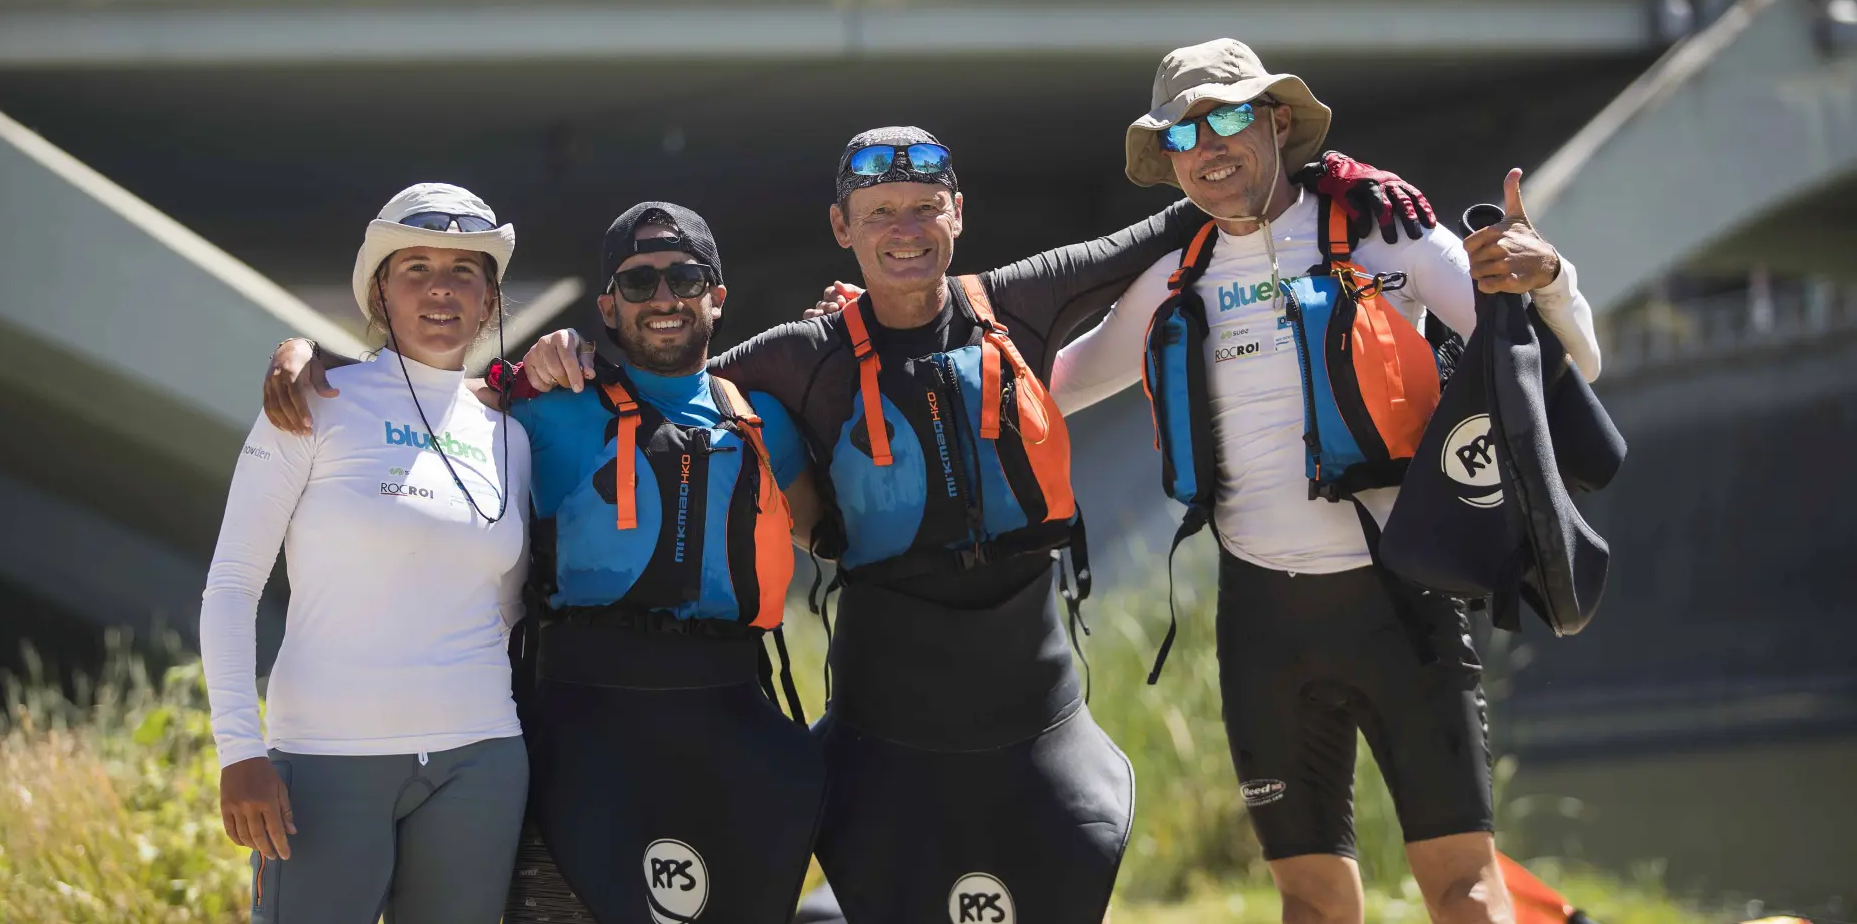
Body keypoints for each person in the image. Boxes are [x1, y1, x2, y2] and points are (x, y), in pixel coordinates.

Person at [506, 128, 1429, 924]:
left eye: (922, 208)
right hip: (882, 728)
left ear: (957, 213)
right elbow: (664, 382)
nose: (903, 231)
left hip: (1032, 714)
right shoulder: (793, 362)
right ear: (843, 230)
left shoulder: (1015, 305)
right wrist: (557, 360)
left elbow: (1172, 224)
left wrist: (1326, 178)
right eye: (878, 212)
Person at [1048, 38, 1602, 924]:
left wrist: (1552, 277)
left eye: (1229, 117)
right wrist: (889, 351)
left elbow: (1556, 357)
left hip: (1405, 605)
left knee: (1463, 891)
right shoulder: (1173, 276)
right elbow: (1052, 390)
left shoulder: (1388, 227)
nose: (1211, 146)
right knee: (1309, 906)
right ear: (1169, 160)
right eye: (1184, 135)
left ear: (1276, 121)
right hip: (1265, 622)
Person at [266, 203, 828, 924]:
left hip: (729, 733)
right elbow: (428, 400)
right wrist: (317, 361)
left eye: (686, 277)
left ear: (717, 296)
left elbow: (843, 538)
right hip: (582, 733)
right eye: (638, 283)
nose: (663, 297)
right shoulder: (545, 405)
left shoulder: (762, 423)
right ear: (607, 307)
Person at [202, 183, 532, 924]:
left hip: (479, 760)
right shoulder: (310, 401)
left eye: (463, 271)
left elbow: (506, 607)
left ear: (489, 302)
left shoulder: (513, 435)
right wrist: (238, 750)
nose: (439, 289)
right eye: (414, 267)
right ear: (379, 293)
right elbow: (230, 584)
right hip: (323, 759)